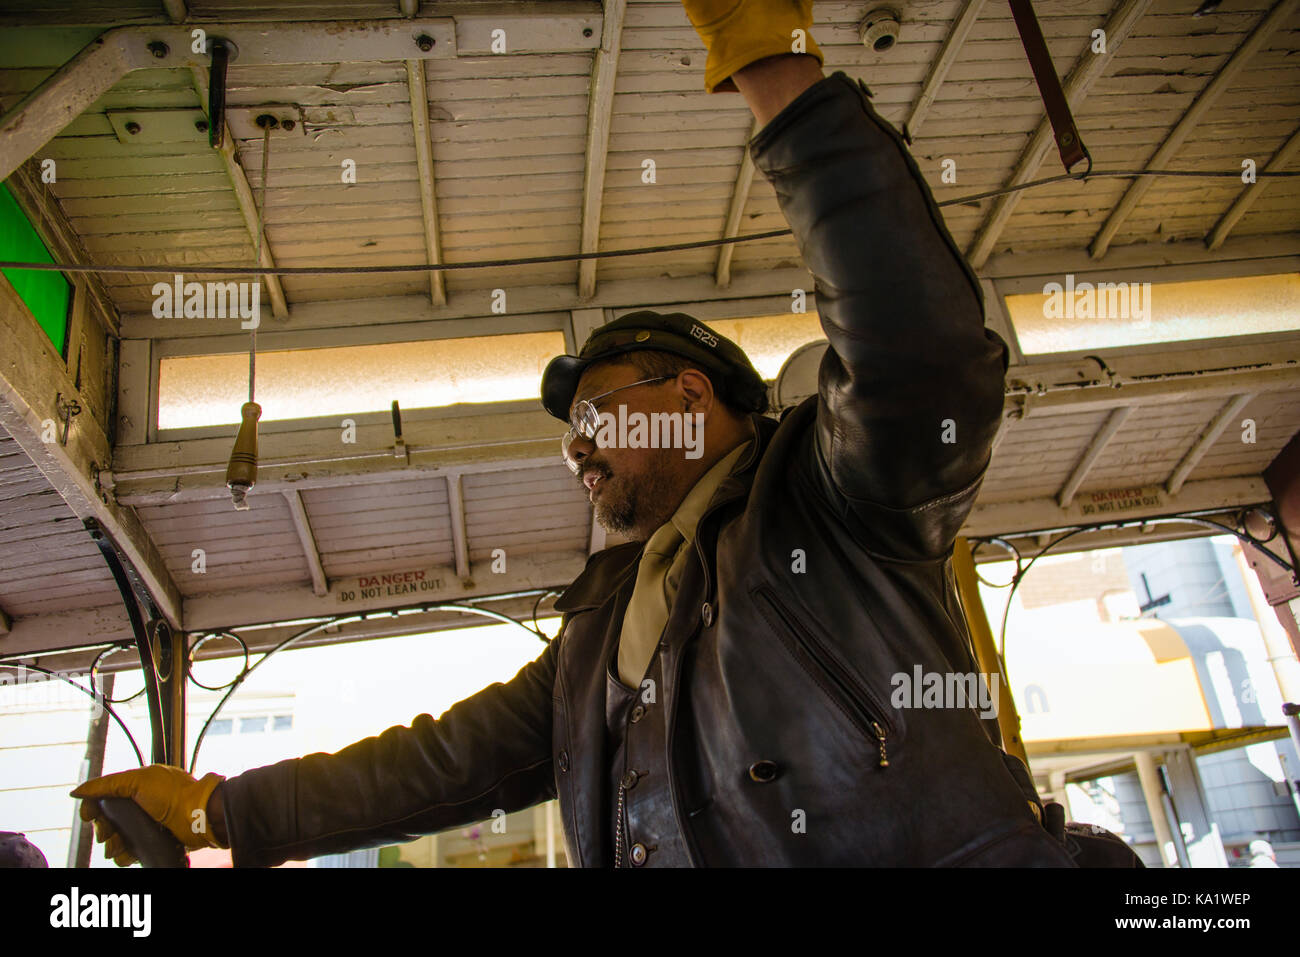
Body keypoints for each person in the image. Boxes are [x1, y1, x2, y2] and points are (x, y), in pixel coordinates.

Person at [71, 0, 1077, 867]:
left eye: (596, 415)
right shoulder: (600, 635)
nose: (578, 451)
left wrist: (781, 80)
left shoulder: (835, 500)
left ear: (689, 395)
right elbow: (440, 765)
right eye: (569, 437)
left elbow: (920, 358)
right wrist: (217, 811)